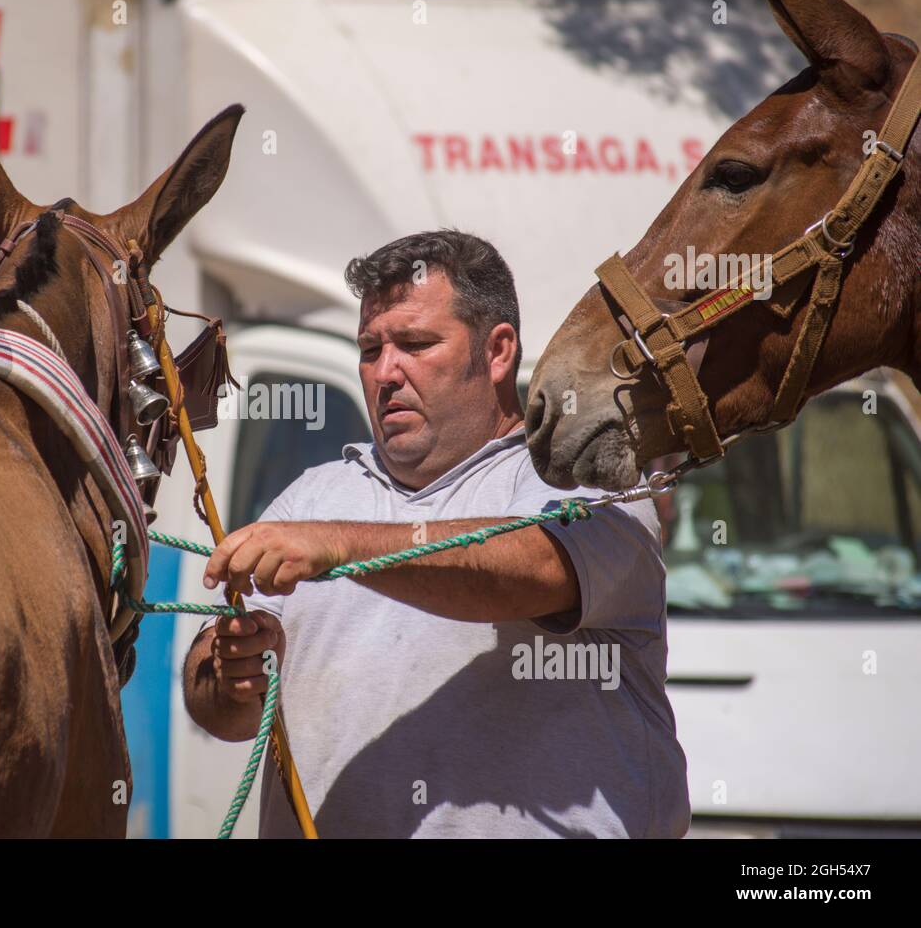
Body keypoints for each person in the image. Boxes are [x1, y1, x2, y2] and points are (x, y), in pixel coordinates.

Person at [182, 229, 691, 838]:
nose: (385, 372)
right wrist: (231, 676)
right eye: (370, 349)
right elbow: (220, 709)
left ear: (498, 352)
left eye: (416, 344)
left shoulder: (577, 480)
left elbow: (528, 570)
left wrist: (338, 547)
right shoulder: (312, 496)